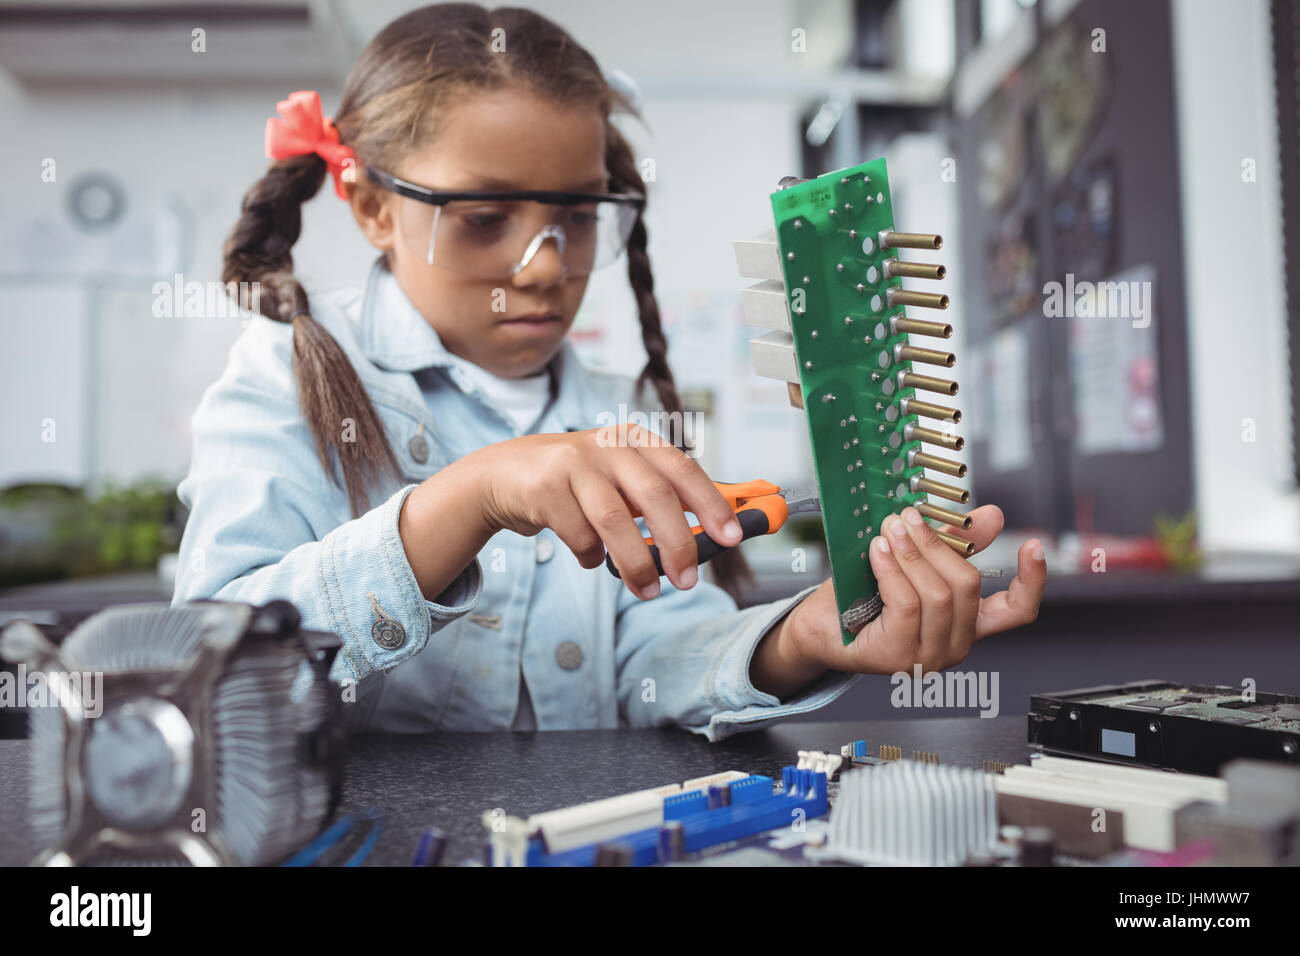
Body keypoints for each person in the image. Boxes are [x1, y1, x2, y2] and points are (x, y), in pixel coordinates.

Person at [172, 3, 1046, 740]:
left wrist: (801, 642)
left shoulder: (618, 415)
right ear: (370, 207)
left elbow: (657, 664)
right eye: (483, 219)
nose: (548, 266)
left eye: (578, 219)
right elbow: (212, 679)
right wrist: (469, 495)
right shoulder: (282, 379)